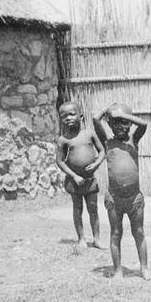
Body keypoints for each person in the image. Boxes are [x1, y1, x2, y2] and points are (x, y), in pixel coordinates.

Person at [94, 103, 151, 280]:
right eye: (115, 123)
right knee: (115, 234)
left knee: (139, 232)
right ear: (110, 124)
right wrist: (107, 112)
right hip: (114, 199)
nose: (120, 126)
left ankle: (144, 268)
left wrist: (123, 115)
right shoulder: (108, 143)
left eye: (124, 123)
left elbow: (143, 124)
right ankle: (118, 269)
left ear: (129, 123)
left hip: (134, 199)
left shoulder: (134, 140)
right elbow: (96, 119)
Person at [55, 101, 106, 249]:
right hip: (74, 181)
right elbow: (60, 161)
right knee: (77, 209)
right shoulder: (63, 140)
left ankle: (96, 239)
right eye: (64, 116)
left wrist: (96, 164)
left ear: (81, 116)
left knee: (93, 209)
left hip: (89, 180)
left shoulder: (89, 134)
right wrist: (74, 176)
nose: (68, 118)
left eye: (72, 114)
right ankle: (81, 239)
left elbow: (102, 151)